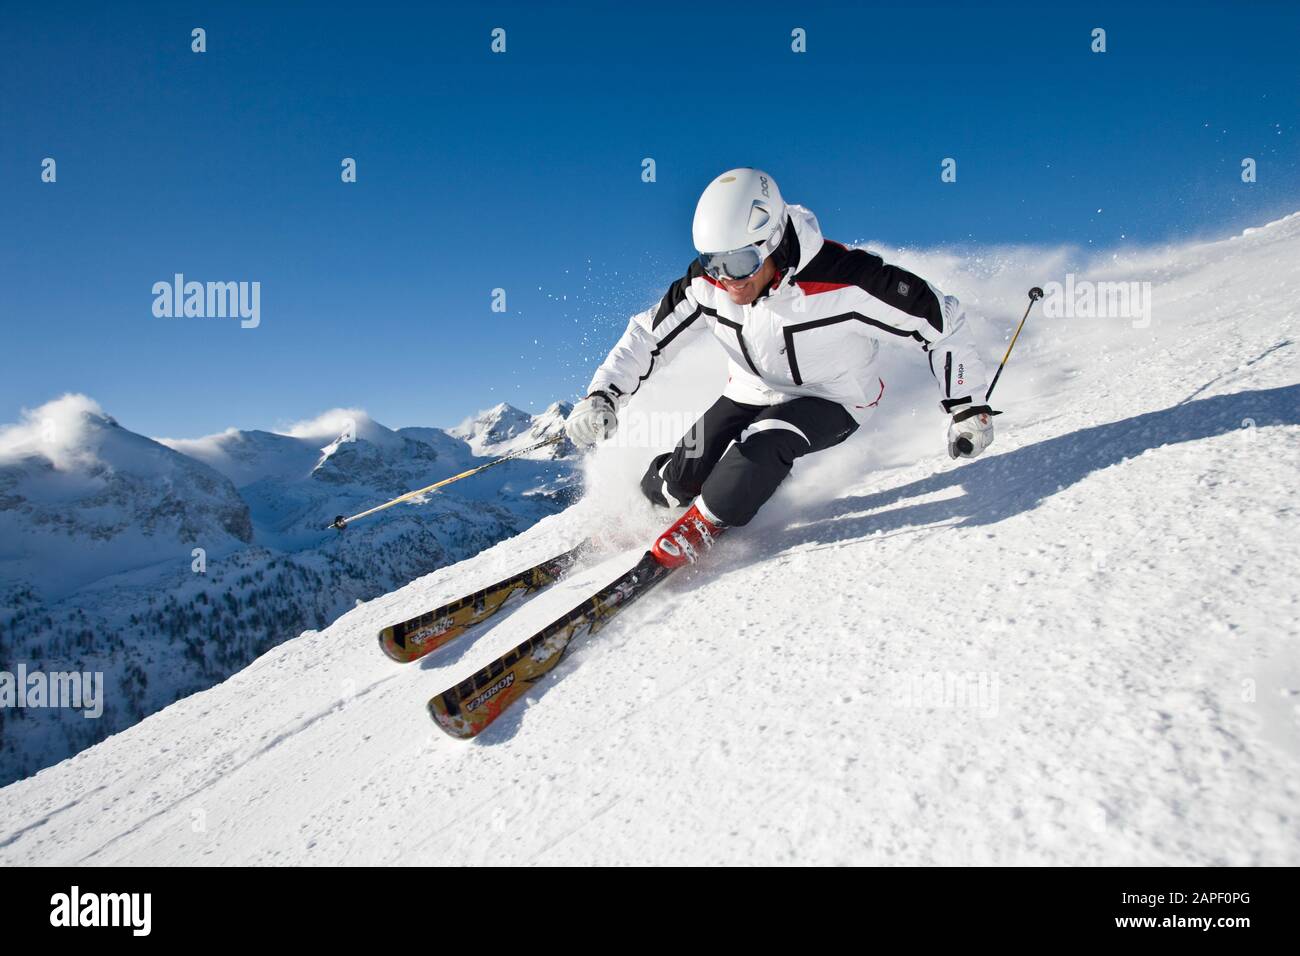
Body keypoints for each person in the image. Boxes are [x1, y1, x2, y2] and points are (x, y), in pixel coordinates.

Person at [564, 167, 995, 568]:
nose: (727, 280)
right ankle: (663, 497)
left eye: (740, 263)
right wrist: (604, 395)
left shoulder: (848, 280)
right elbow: (648, 336)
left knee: (764, 443)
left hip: (834, 398)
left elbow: (942, 320)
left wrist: (966, 406)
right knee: (683, 474)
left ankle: (709, 518)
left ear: (771, 241)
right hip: (750, 389)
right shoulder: (707, 282)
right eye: (715, 263)